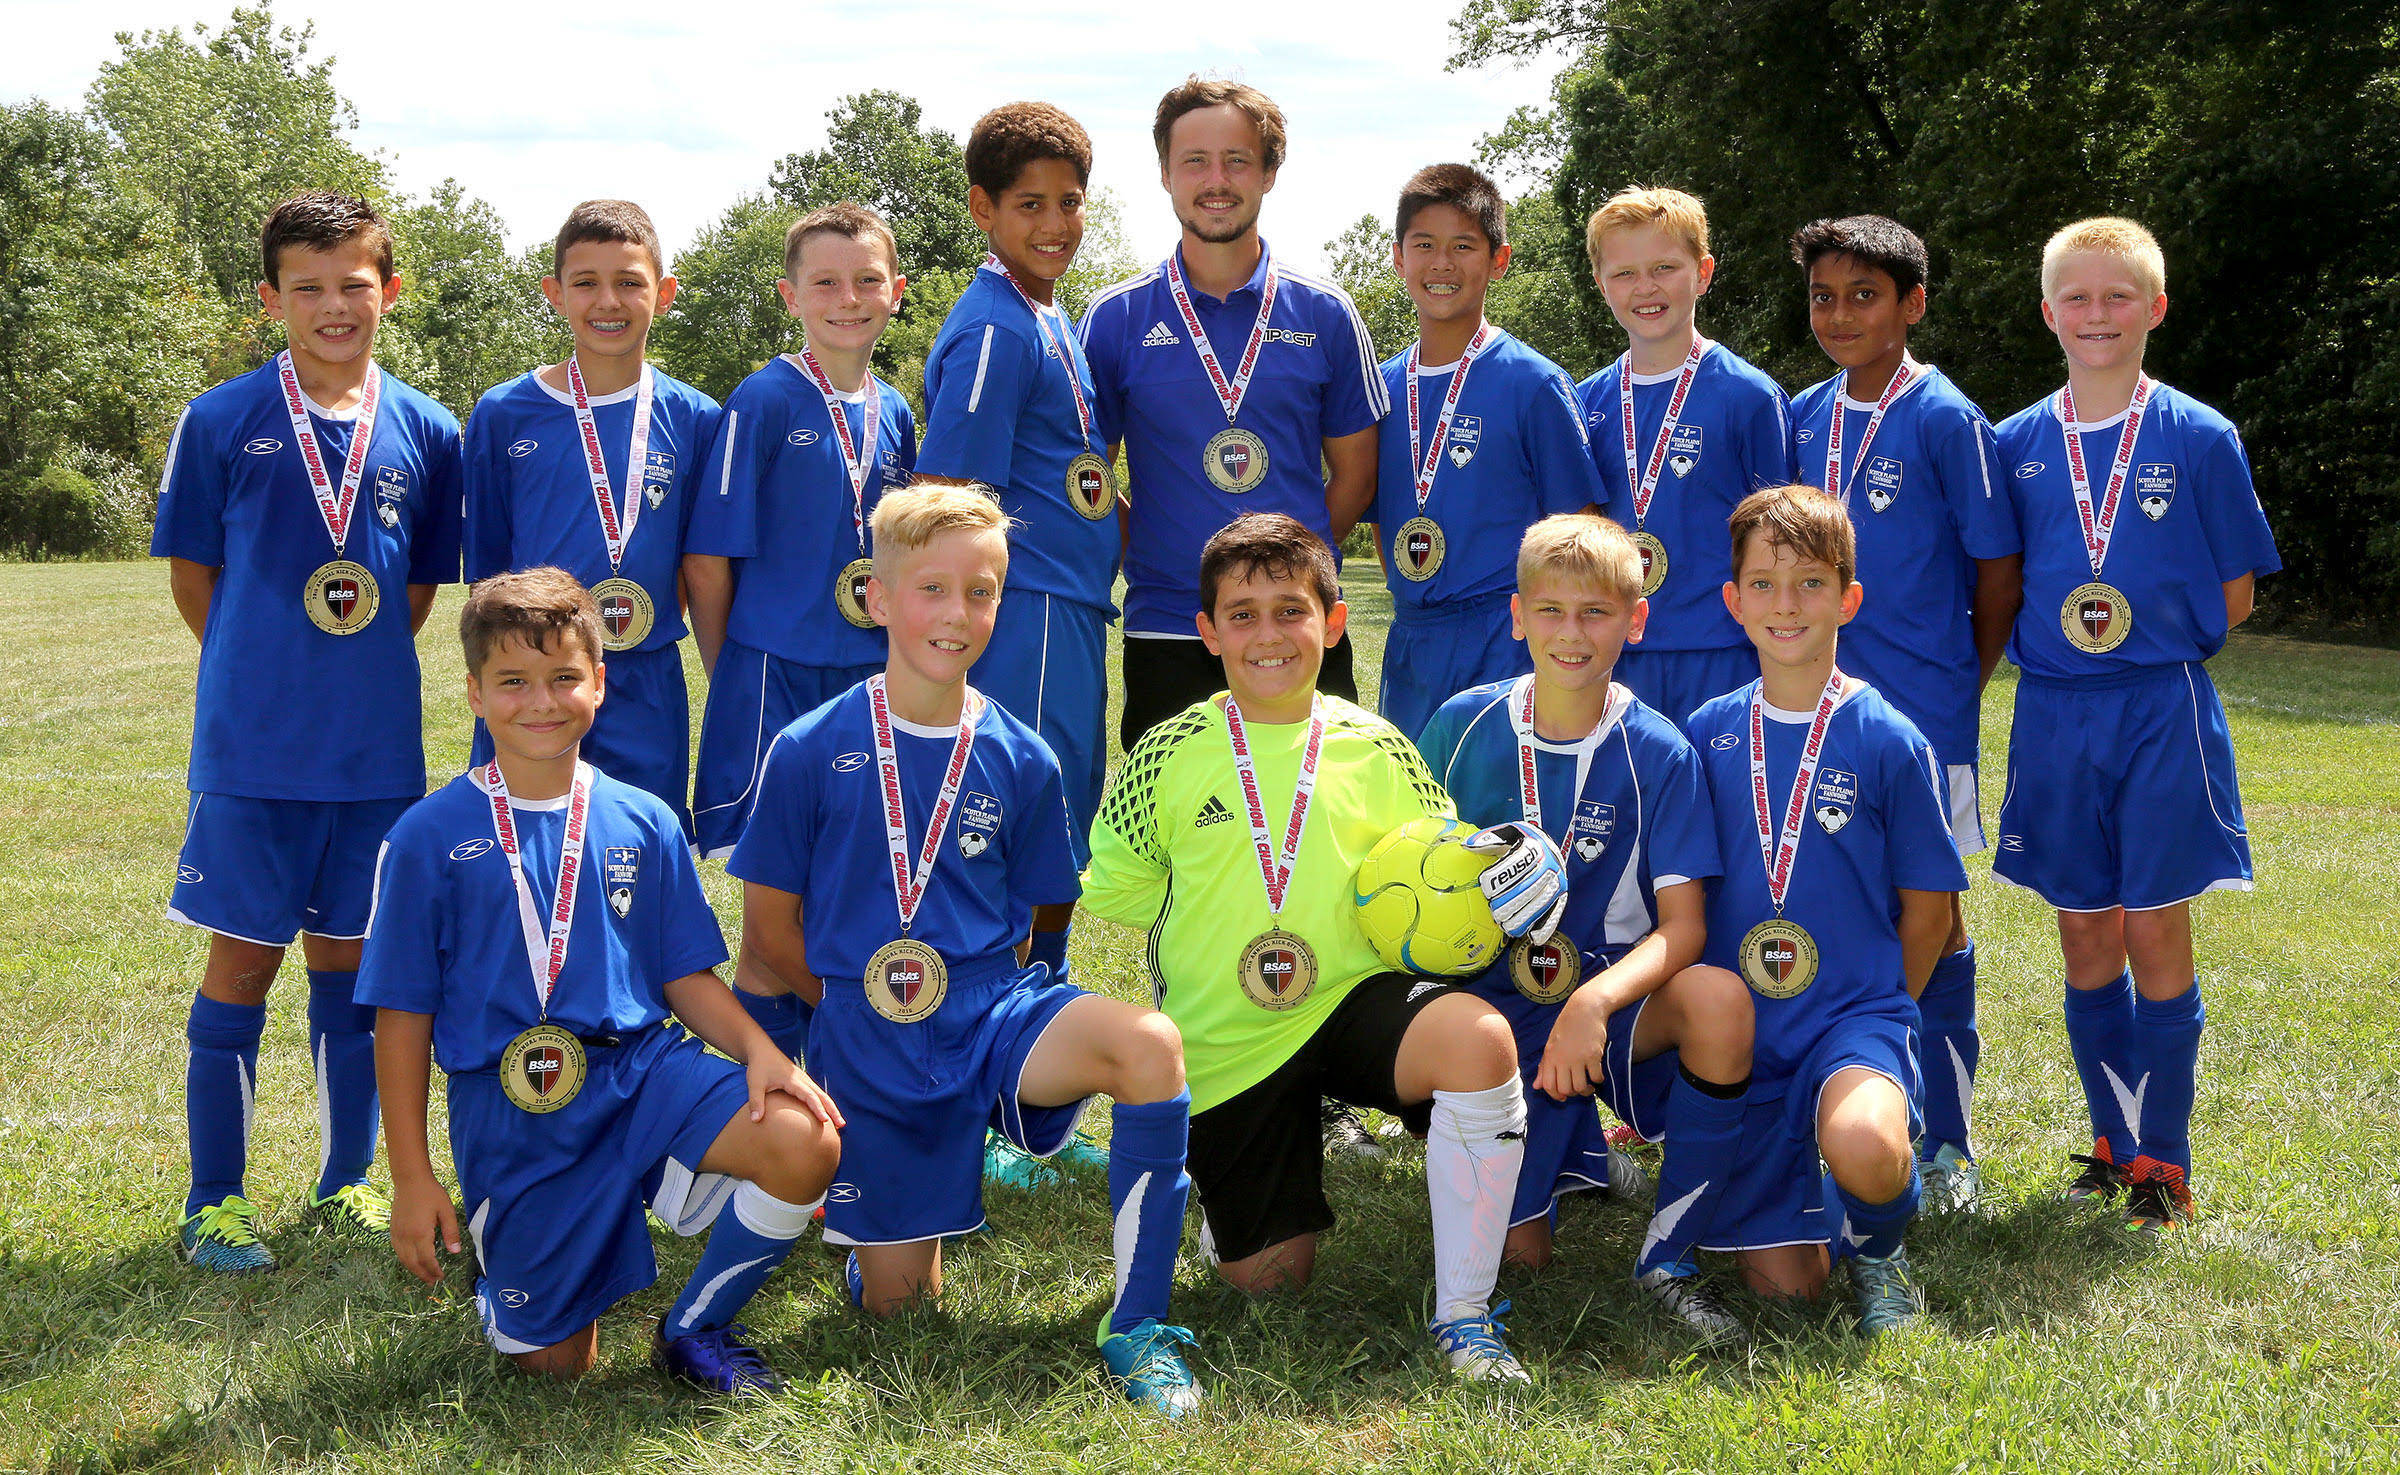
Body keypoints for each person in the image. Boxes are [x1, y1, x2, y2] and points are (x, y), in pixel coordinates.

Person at [725, 482, 1203, 1416]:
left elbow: (1040, 914)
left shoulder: (1023, 756)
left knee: (1149, 1043)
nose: (957, 614)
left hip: (988, 1010)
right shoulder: (810, 748)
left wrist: (993, 1007)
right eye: (932, 589)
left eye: (980, 591)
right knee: (902, 1309)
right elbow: (770, 935)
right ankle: (876, 1226)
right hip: (862, 1030)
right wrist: (864, 1021)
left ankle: (1139, 1326)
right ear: (877, 596)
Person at [1080, 511, 1571, 1383]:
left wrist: (1507, 852)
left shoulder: (1374, 745)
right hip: (1228, 1039)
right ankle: (1226, 1194)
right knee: (1268, 1283)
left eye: (1290, 609)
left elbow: (1436, 863)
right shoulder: (1166, 753)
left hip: (1351, 1002)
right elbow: (1118, 890)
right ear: (1207, 632)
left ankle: (1464, 1316)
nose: (1268, 633)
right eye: (1243, 613)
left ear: (1333, 622)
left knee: (1479, 1038)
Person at [361, 569, 842, 1394]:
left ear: (599, 684)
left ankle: (697, 1326)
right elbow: (401, 1019)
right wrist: (412, 1176)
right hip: (515, 1104)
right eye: (513, 681)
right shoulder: (426, 838)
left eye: (563, 678)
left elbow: (684, 975)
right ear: (475, 693)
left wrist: (764, 1052)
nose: (540, 701)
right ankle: (514, 1278)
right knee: (557, 1370)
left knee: (805, 1135)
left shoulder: (643, 818)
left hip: (639, 1068)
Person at [154, 191, 463, 1272]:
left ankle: (344, 1181)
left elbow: (415, 587)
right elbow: (199, 582)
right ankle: (214, 1202)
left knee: (352, 970)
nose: (335, 306)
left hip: (374, 759)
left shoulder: (429, 429)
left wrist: (347, 670)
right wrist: (265, 670)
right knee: (241, 966)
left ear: (390, 290)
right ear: (271, 296)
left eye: (355, 285)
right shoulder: (223, 419)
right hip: (253, 753)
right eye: (309, 287)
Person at [1989, 217, 2279, 1231]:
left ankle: (2167, 1160)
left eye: (2120, 296)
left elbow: (2236, 589)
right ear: (2049, 312)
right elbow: (1999, 582)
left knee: (2156, 926)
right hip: (2056, 714)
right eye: (2079, 296)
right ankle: (2112, 1141)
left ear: (2155, 307)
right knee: (2083, 937)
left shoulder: (2200, 436)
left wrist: (2147, 642)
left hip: (2160, 707)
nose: (2098, 314)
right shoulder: (2016, 443)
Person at [1417, 513, 1756, 1348]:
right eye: (1552, 610)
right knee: (1522, 1258)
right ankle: (1565, 1143)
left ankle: (1668, 1254)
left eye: (1597, 612)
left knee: (1716, 999)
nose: (1573, 633)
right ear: (1517, 614)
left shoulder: (1658, 751)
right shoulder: (1461, 725)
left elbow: (1683, 929)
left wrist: (1592, 1004)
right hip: (1490, 1006)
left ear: (1635, 621)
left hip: (1604, 1003)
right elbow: (1410, 880)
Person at [1684, 486, 1968, 1334]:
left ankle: (1881, 1249)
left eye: (1810, 583)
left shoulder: (1888, 737)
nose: (1786, 604)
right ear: (1733, 602)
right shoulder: (1706, 733)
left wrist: (1884, 1010)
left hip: (1851, 1018)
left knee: (1870, 1150)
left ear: (1848, 599)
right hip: (1747, 1038)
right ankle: (1803, 1196)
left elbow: (1931, 915)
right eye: (1764, 585)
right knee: (1786, 1291)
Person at [1785, 214, 2022, 1211]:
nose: (1842, 314)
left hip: (1922, 712)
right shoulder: (1800, 414)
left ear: (1912, 304)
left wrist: (1956, 679)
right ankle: (1836, 1103)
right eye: (1825, 297)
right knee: (1833, 900)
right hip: (1816, 705)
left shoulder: (1945, 417)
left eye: (1865, 295)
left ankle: (1949, 1139)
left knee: (1933, 915)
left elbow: (1999, 574)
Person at [1081, 76, 1387, 752]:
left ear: (1270, 172)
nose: (1215, 180)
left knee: (1316, 825)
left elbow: (1357, 477)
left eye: (1237, 160)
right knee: (1173, 839)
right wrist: (1155, 551)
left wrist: (1282, 566)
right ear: (1164, 172)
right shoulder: (1114, 318)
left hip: (1296, 622)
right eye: (1195, 161)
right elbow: (1087, 476)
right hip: (1170, 618)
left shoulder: (1326, 313)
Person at [684, 202, 917, 1064]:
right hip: (773, 672)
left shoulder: (893, 409)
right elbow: (709, 561)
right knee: (770, 899)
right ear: (792, 296)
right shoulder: (765, 397)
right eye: (825, 282)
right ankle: (764, 1080)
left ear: (894, 292)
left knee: (841, 880)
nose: (846, 297)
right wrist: (734, 670)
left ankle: (828, 1075)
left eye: (865, 280)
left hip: (861, 675)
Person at [463, 200, 721, 832]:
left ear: (663, 293)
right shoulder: (504, 414)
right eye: (586, 283)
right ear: (555, 293)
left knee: (638, 850)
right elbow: (489, 573)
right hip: (533, 675)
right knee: (523, 847)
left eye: (629, 282)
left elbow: (702, 562)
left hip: (648, 677)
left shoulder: (696, 418)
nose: (608, 300)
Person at [918, 101, 1118, 852]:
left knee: (1063, 799)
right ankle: (1013, 971)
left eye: (1069, 203)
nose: (1054, 224)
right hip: (1027, 604)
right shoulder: (998, 327)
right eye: (1030, 204)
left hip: (1071, 599)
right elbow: (944, 496)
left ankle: (1044, 968)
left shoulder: (1047, 316)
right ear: (983, 208)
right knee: (1023, 807)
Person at [1368, 165, 1606, 742]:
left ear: (1497, 260)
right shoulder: (1378, 388)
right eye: (1424, 245)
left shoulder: (1532, 383)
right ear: (1399, 258)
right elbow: (1381, 518)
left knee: (1505, 816)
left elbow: (1581, 529)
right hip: (1412, 641)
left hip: (1507, 640)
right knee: (1416, 816)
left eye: (1463, 246)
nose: (1442, 264)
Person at [1576, 187, 1794, 728]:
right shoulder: (1584, 402)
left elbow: (1781, 542)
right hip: (1613, 654)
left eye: (1665, 268)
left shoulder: (1749, 396)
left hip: (1721, 654)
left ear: (1703, 273)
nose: (1645, 288)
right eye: (1624, 273)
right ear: (1602, 285)